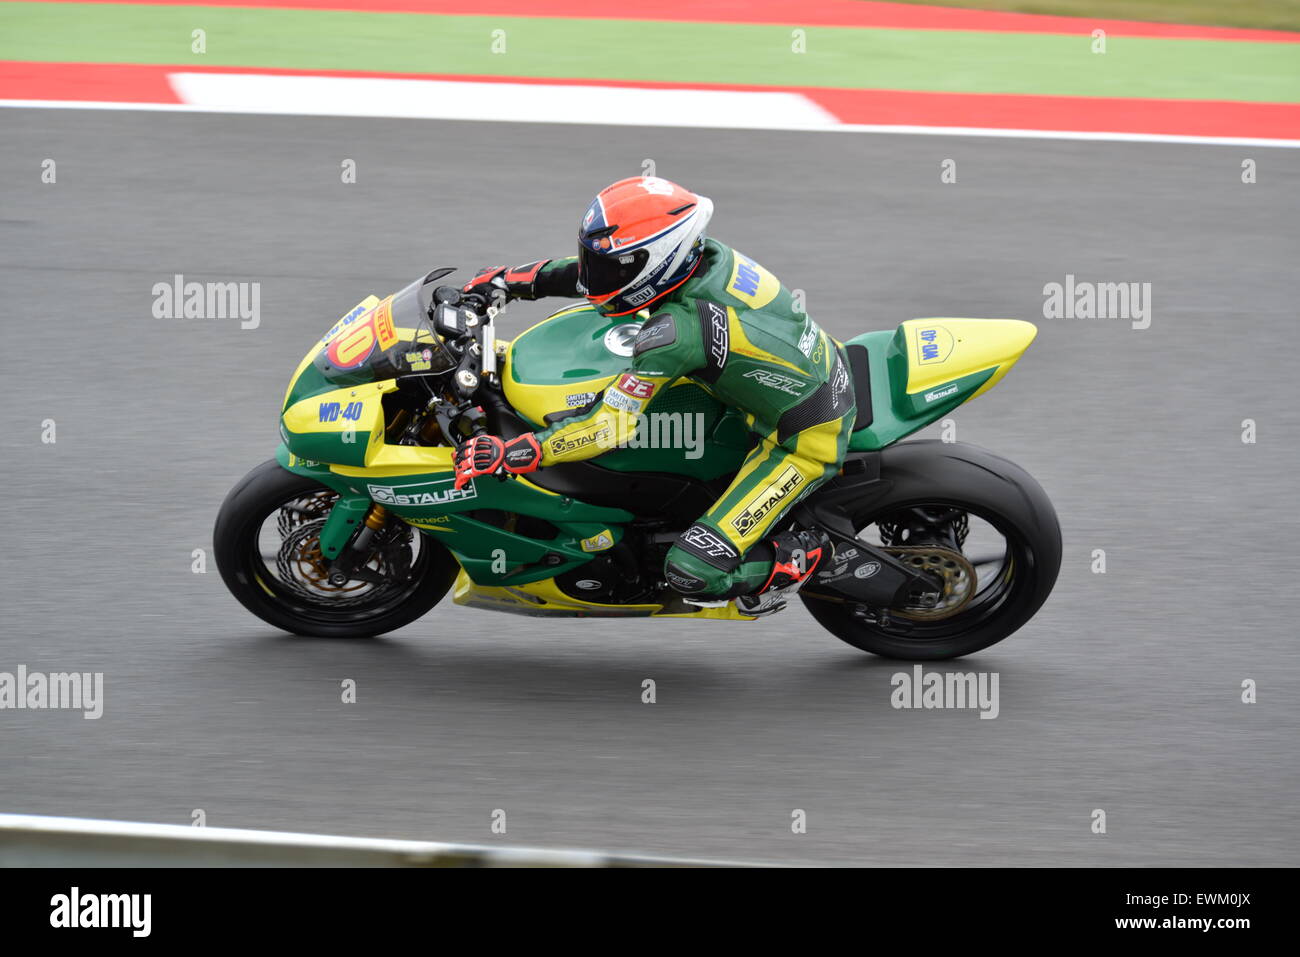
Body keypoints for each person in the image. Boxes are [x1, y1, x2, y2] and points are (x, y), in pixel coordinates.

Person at [453, 176, 855, 613]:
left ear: (656, 261)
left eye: (610, 265)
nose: (595, 274)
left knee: (691, 574)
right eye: (595, 259)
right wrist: (504, 282)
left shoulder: (676, 334)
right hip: (805, 370)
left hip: (802, 436)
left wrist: (516, 452)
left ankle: (815, 555)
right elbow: (599, 278)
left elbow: (608, 427)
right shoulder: (702, 254)